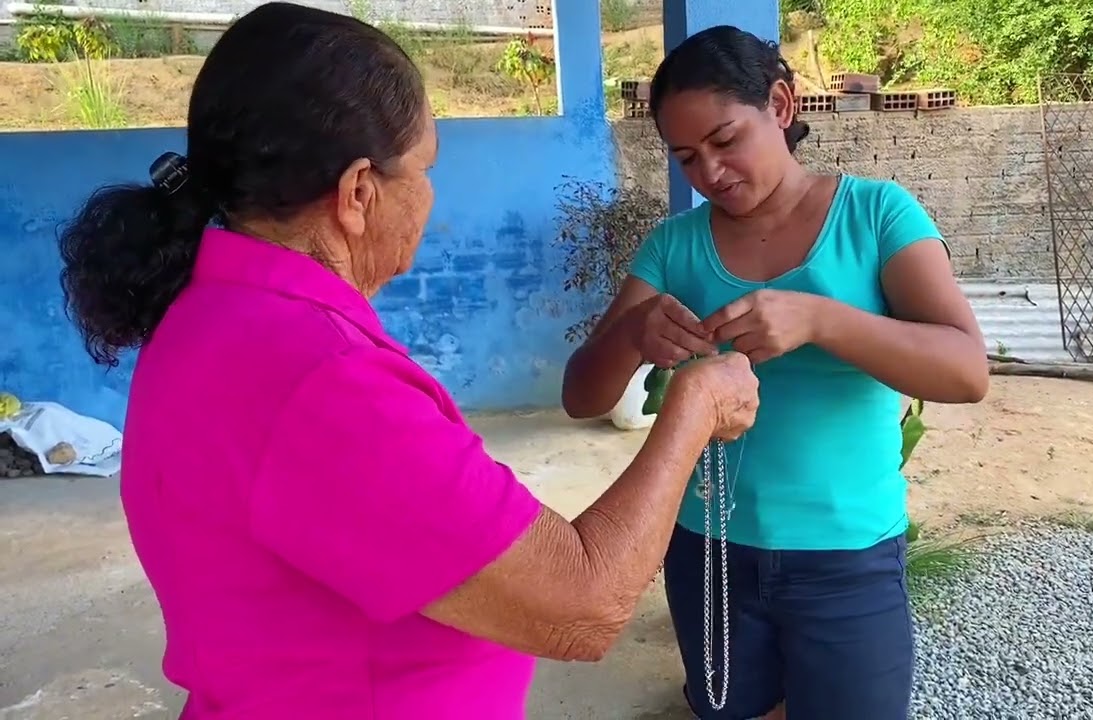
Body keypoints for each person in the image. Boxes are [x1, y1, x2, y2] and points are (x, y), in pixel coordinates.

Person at [56, 4, 759, 719]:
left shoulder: (210, 314)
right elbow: (583, 604)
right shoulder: (323, 380)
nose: (429, 194)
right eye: (425, 169)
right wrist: (696, 404)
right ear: (359, 193)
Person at [561, 25, 989, 720]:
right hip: (709, 551)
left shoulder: (876, 216)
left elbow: (967, 371)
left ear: (782, 106)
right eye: (686, 157)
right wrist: (635, 334)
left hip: (847, 556)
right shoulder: (674, 247)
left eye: (725, 140)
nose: (710, 172)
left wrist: (822, 320)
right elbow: (582, 396)